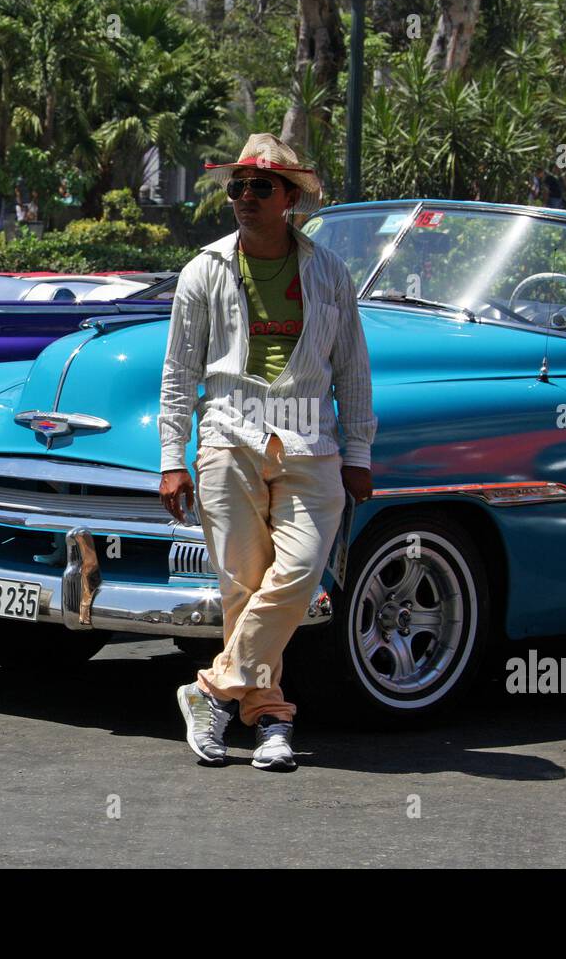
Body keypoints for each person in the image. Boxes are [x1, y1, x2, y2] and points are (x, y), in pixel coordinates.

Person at [159, 132, 376, 771]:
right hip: (229, 433)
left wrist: (358, 450)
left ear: (289, 198)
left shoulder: (329, 271)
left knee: (299, 573)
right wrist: (174, 456)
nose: (245, 197)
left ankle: (210, 690)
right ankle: (271, 719)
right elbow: (178, 372)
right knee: (242, 587)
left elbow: (353, 370)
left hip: (310, 438)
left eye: (261, 187)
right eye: (237, 186)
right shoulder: (204, 269)